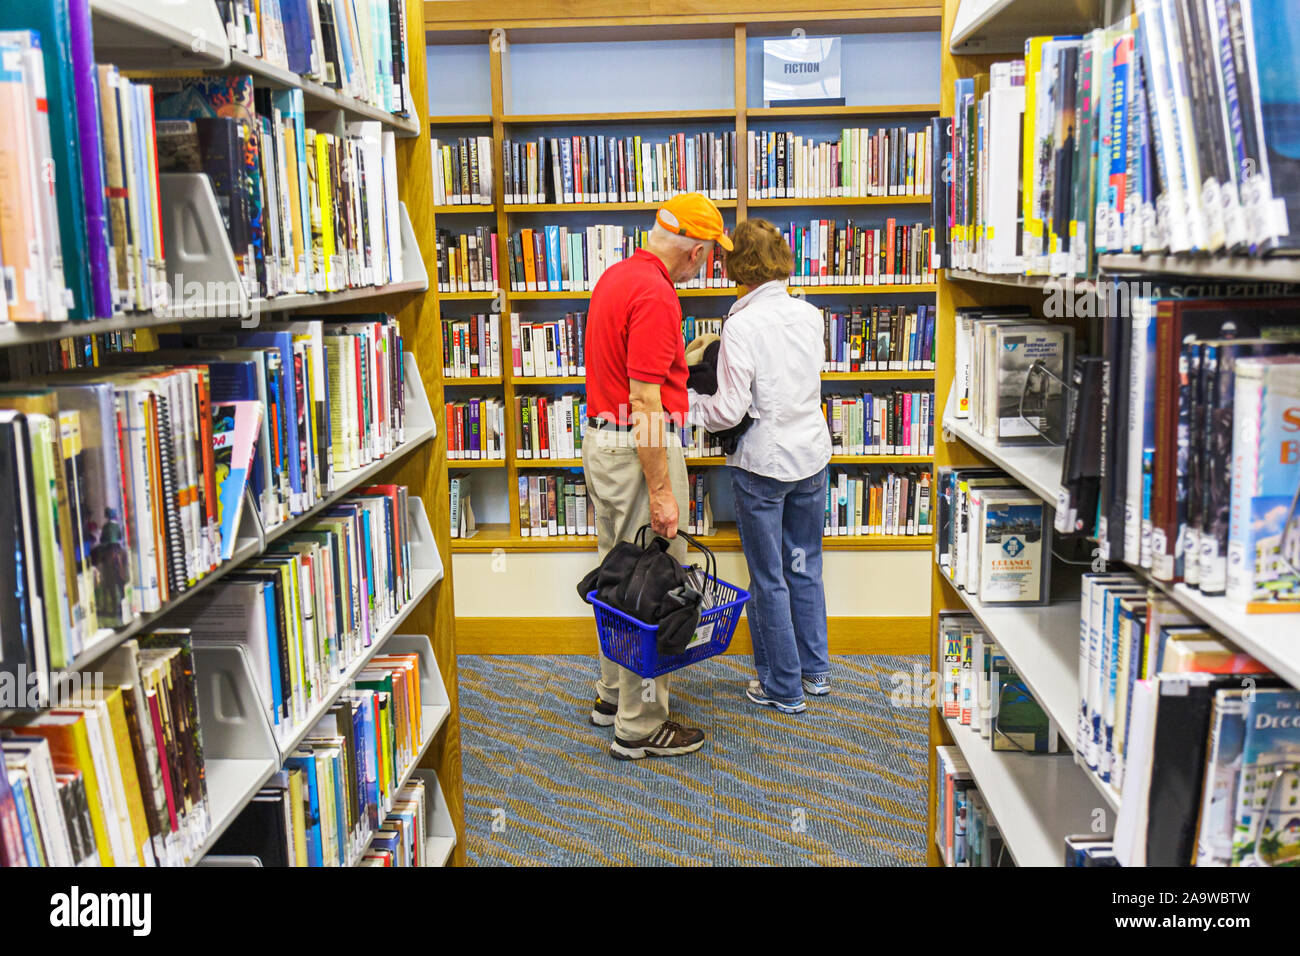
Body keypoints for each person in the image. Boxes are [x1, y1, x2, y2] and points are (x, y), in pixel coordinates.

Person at [582, 192, 732, 760]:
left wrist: (680, 362)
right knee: (655, 584)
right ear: (694, 252)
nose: (707, 266)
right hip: (638, 448)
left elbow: (628, 374)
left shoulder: (619, 276)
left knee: (619, 576)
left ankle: (611, 696)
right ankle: (641, 725)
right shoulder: (656, 295)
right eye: (708, 257)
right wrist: (664, 492)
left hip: (605, 441)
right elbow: (645, 406)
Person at [687, 218, 833, 715]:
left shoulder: (742, 325)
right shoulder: (811, 315)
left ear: (738, 267)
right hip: (812, 456)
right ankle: (815, 673)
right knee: (805, 566)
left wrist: (688, 403)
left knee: (769, 576)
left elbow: (728, 410)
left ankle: (783, 688)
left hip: (763, 466)